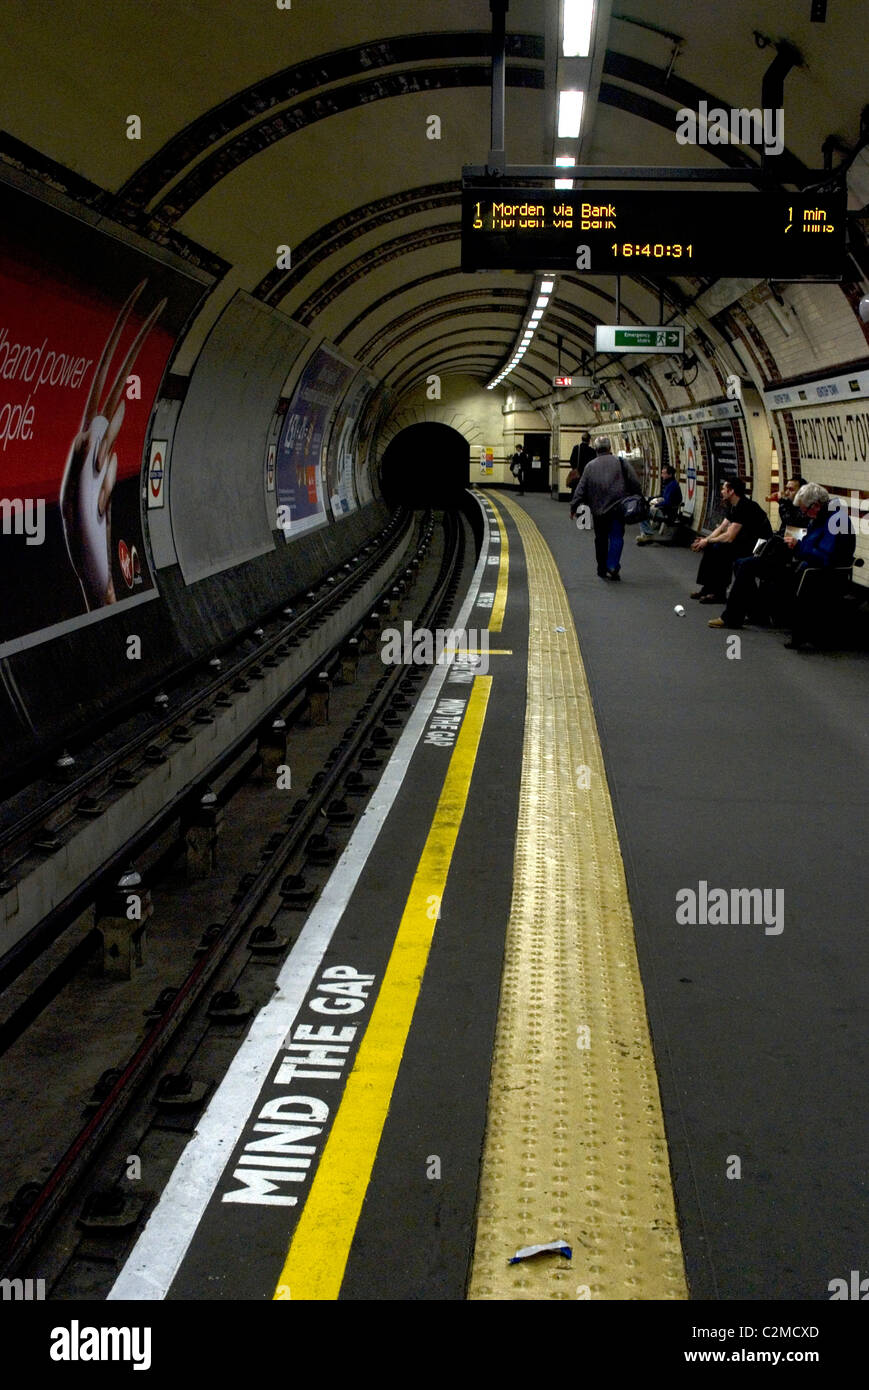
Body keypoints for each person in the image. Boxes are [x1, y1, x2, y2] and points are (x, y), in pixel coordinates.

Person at [570, 435, 642, 580]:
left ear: (596, 449)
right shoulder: (621, 462)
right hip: (618, 509)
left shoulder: (590, 466)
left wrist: (574, 506)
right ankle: (612, 565)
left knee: (601, 539)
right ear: (610, 448)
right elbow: (635, 482)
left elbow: (581, 488)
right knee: (616, 537)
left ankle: (601, 568)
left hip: (599, 510)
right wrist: (637, 496)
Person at [690, 477, 772, 603]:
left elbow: (729, 537)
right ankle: (708, 587)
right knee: (712, 546)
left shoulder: (745, 506)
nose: (722, 491)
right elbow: (722, 527)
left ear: (731, 491)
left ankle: (719, 593)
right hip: (746, 542)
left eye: (724, 489)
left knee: (721, 548)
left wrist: (708, 541)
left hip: (759, 547)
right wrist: (705, 540)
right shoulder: (734, 505)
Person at [636, 462, 683, 545]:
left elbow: (667, 502)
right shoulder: (670, 484)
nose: (662, 475)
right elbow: (661, 496)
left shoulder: (672, 486)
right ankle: (646, 535)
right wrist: (649, 499)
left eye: (663, 473)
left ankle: (648, 535)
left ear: (670, 474)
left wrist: (654, 504)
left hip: (667, 512)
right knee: (642, 510)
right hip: (665, 510)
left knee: (642, 512)